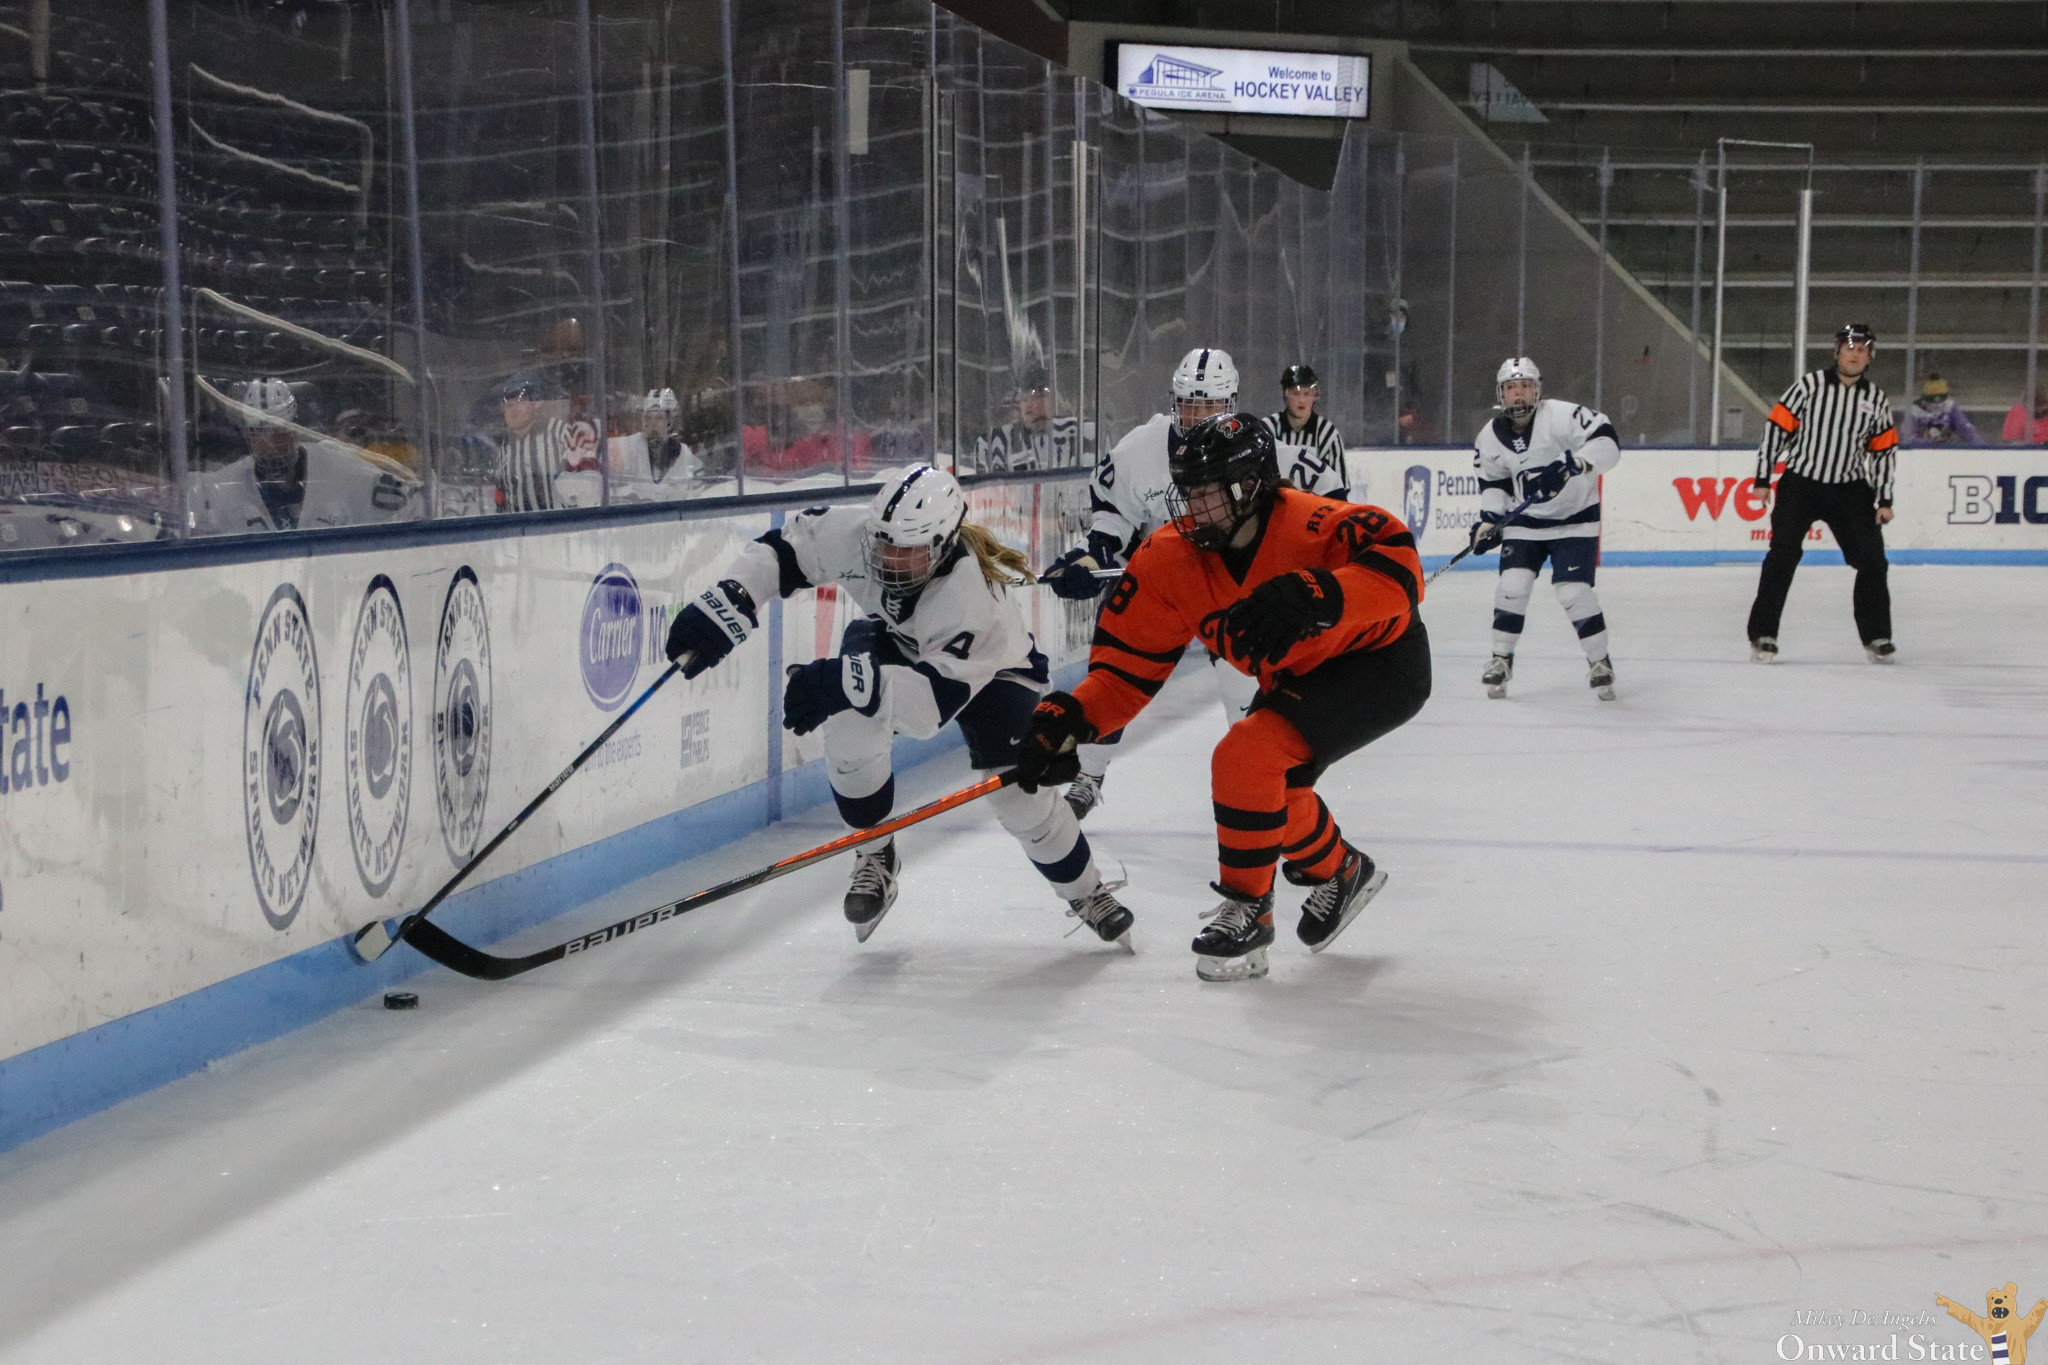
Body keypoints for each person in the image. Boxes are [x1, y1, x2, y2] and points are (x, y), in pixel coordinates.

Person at [1014, 413, 1429, 982]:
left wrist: (1323, 591)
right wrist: (1072, 715)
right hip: (1297, 676)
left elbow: (1400, 559)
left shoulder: (1310, 524)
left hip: (1379, 664)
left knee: (1245, 756)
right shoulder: (1166, 559)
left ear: (1252, 486)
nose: (1192, 509)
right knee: (1261, 786)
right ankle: (1342, 871)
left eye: (1207, 494)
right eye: (1186, 494)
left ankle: (1249, 910)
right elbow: (1125, 671)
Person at [662, 464, 1134, 947]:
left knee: (1018, 797)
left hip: (994, 676)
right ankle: (875, 856)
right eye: (883, 541)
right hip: (902, 647)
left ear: (943, 545)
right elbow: (784, 550)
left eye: (906, 550)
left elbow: (928, 709)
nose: (887, 558)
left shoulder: (972, 599)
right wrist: (730, 600)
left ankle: (1086, 891)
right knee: (848, 729)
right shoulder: (860, 534)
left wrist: (841, 681)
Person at [1038, 347, 1267, 822]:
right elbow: (1111, 523)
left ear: (1231, 404)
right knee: (1113, 678)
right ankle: (1090, 774)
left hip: (1227, 584)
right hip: (1160, 585)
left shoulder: (1251, 448)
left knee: (1244, 689)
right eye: (1188, 403)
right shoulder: (1139, 450)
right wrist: (1091, 558)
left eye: (1208, 406)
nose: (1196, 415)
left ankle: (1267, 785)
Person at [1468, 357, 1623, 701]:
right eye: (1511, 388)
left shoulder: (1561, 415)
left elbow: (1608, 442)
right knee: (1512, 586)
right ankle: (1501, 659)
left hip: (1576, 519)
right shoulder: (1489, 436)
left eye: (1524, 386)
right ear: (1502, 394)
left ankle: (1600, 662)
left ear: (1537, 390)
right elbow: (1494, 482)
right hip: (1526, 523)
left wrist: (1578, 463)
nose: (1518, 394)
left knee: (1573, 592)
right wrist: (1489, 521)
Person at [1745, 322, 1900, 664]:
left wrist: (1884, 499)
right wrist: (1762, 477)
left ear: (1869, 357)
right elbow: (1777, 430)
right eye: (1850, 348)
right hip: (1801, 483)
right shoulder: (1809, 386)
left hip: (1850, 489)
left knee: (1873, 561)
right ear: (1837, 352)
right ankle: (1763, 633)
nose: (1855, 355)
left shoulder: (1875, 398)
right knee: (1783, 554)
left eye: (1862, 350)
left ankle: (1876, 635)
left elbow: (1884, 450)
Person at [187, 378, 418, 534]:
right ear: (248, 435)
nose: (272, 442)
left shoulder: (340, 468)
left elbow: (414, 499)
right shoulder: (220, 488)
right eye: (261, 432)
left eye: (280, 431)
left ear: (293, 427)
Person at [1264, 364, 1348, 498]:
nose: (1301, 400)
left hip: (1316, 511)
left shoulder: (1328, 434)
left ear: (1314, 396)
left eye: (1307, 393)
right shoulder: (1267, 428)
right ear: (1286, 395)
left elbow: (1340, 486)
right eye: (1296, 393)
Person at [494, 372, 574, 512]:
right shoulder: (504, 447)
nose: (514, 410)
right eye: (509, 405)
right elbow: (502, 497)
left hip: (560, 527)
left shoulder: (559, 432)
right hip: (516, 529)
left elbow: (585, 483)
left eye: (521, 401)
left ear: (536, 403)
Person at [971, 368, 1079, 472]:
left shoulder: (1072, 431)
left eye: (1037, 396)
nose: (1028, 404)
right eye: (1024, 398)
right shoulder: (992, 441)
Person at [1901, 375, 1983, 445]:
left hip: (1946, 451)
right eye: (1932, 400)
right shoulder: (1914, 411)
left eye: (1942, 399)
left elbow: (1967, 430)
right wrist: (1930, 443)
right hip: (1921, 453)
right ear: (1924, 398)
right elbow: (1907, 439)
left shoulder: (1950, 407)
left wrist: (1981, 449)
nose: (1937, 404)